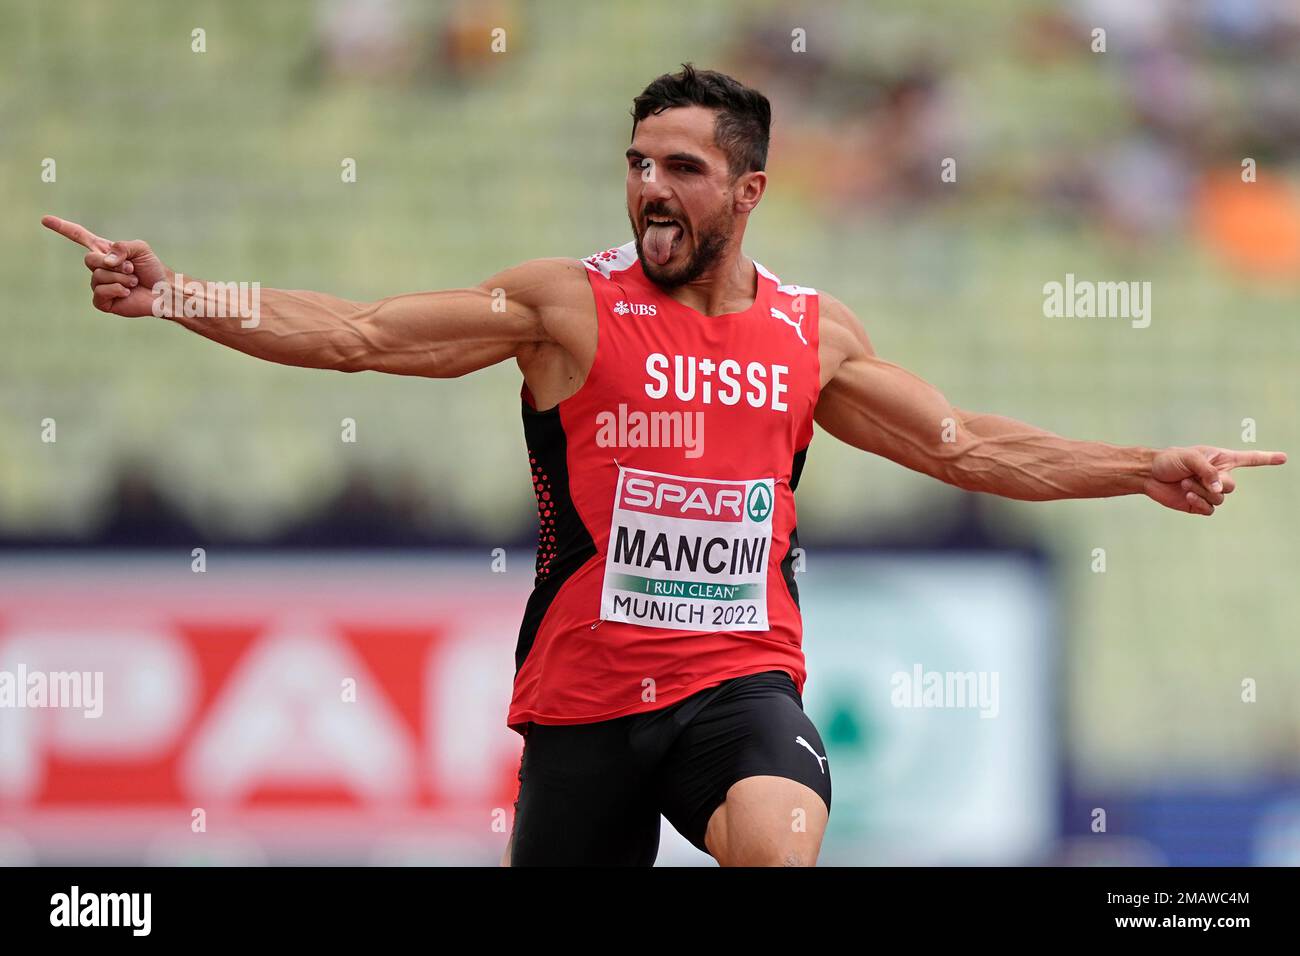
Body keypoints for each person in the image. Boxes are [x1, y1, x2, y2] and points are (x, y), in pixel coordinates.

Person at [42, 64, 1286, 867]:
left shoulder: (812, 333)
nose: (649, 187)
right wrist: (177, 295)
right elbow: (361, 336)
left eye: (680, 168)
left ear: (748, 189)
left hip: (735, 683)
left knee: (778, 835)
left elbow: (961, 443)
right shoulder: (563, 307)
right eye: (637, 161)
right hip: (584, 703)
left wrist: (1139, 467)